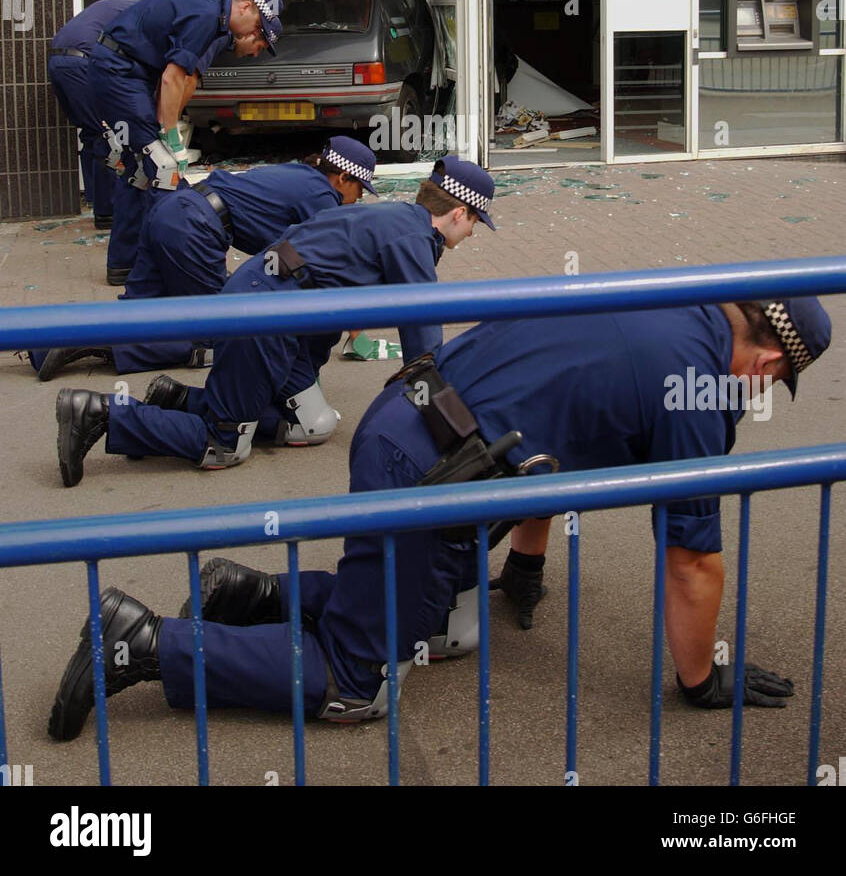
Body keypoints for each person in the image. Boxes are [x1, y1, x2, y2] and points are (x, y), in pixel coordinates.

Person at [46, 293, 831, 739]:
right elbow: (693, 561)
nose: (759, 397)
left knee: (439, 628)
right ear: (768, 362)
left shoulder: (661, 308)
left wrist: (525, 565)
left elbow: (559, 435)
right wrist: (702, 679)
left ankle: (247, 595)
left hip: (416, 422)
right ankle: (143, 643)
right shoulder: (695, 390)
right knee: (357, 684)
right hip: (427, 471)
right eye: (772, 384)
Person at [53, 156, 496, 482]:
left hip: (272, 306)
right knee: (224, 445)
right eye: (476, 222)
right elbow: (423, 354)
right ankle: (103, 413)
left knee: (309, 424)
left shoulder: (395, 218)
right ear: (459, 212)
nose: (473, 233)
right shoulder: (413, 239)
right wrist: (456, 436)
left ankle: (177, 402)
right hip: (265, 316)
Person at [28, 138, 378, 381]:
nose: (358, 199)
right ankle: (88, 344)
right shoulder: (322, 196)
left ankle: (45, 340)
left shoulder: (298, 175)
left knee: (134, 312)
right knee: (221, 334)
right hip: (194, 228)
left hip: (173, 211)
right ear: (343, 177)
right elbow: (328, 266)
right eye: (359, 190)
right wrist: (353, 323)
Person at [89, 0, 282, 285]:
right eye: (258, 27)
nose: (252, 36)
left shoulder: (212, 12)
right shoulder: (208, 16)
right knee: (163, 168)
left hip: (122, 70)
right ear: (246, 7)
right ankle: (180, 265)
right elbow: (174, 78)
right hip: (121, 72)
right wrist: (170, 139)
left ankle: (127, 264)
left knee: (140, 173)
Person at [48, 0, 135, 228]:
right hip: (81, 63)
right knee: (107, 136)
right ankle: (108, 211)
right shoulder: (146, 15)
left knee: (91, 134)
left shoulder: (119, 6)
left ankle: (97, 201)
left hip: (59, 61)